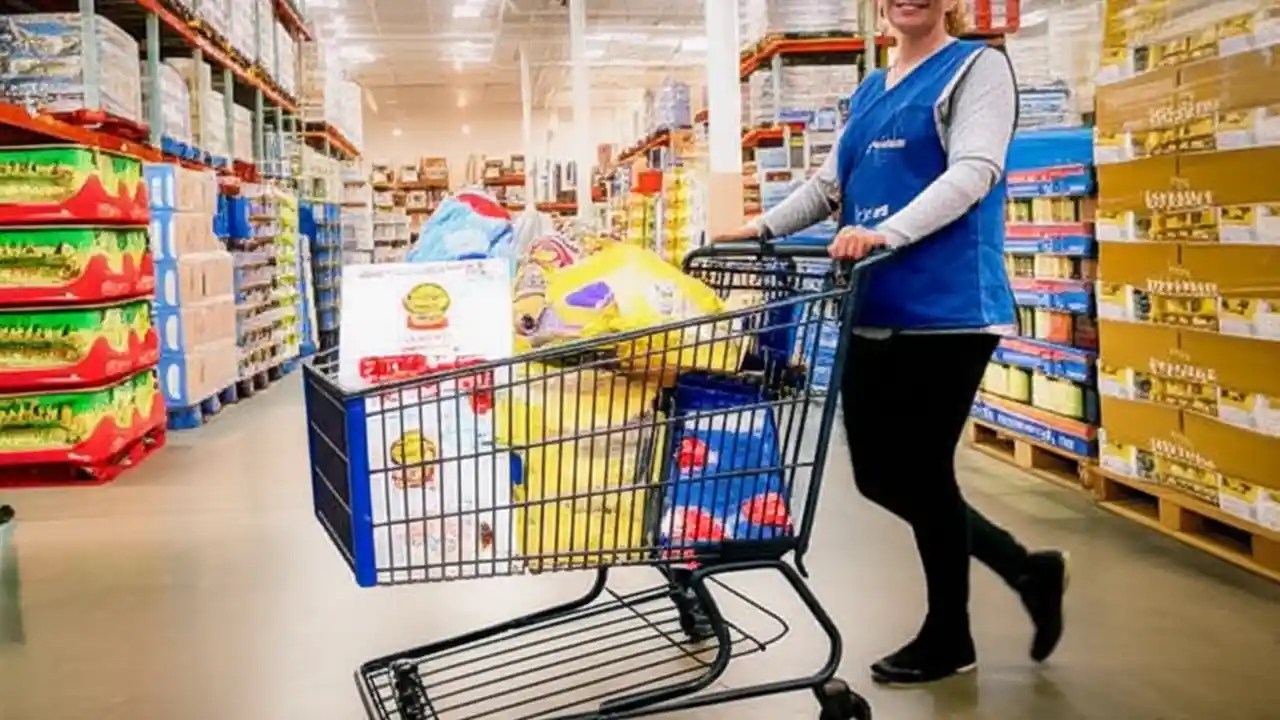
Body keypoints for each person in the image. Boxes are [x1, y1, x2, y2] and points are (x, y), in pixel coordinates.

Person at [716, 0, 1069, 686]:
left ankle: (949, 637)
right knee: (880, 476)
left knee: (925, 471)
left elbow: (974, 172)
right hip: (874, 306)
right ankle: (1027, 568)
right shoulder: (870, 89)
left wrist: (886, 233)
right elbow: (828, 187)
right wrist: (759, 229)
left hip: (948, 310)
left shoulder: (977, 69)